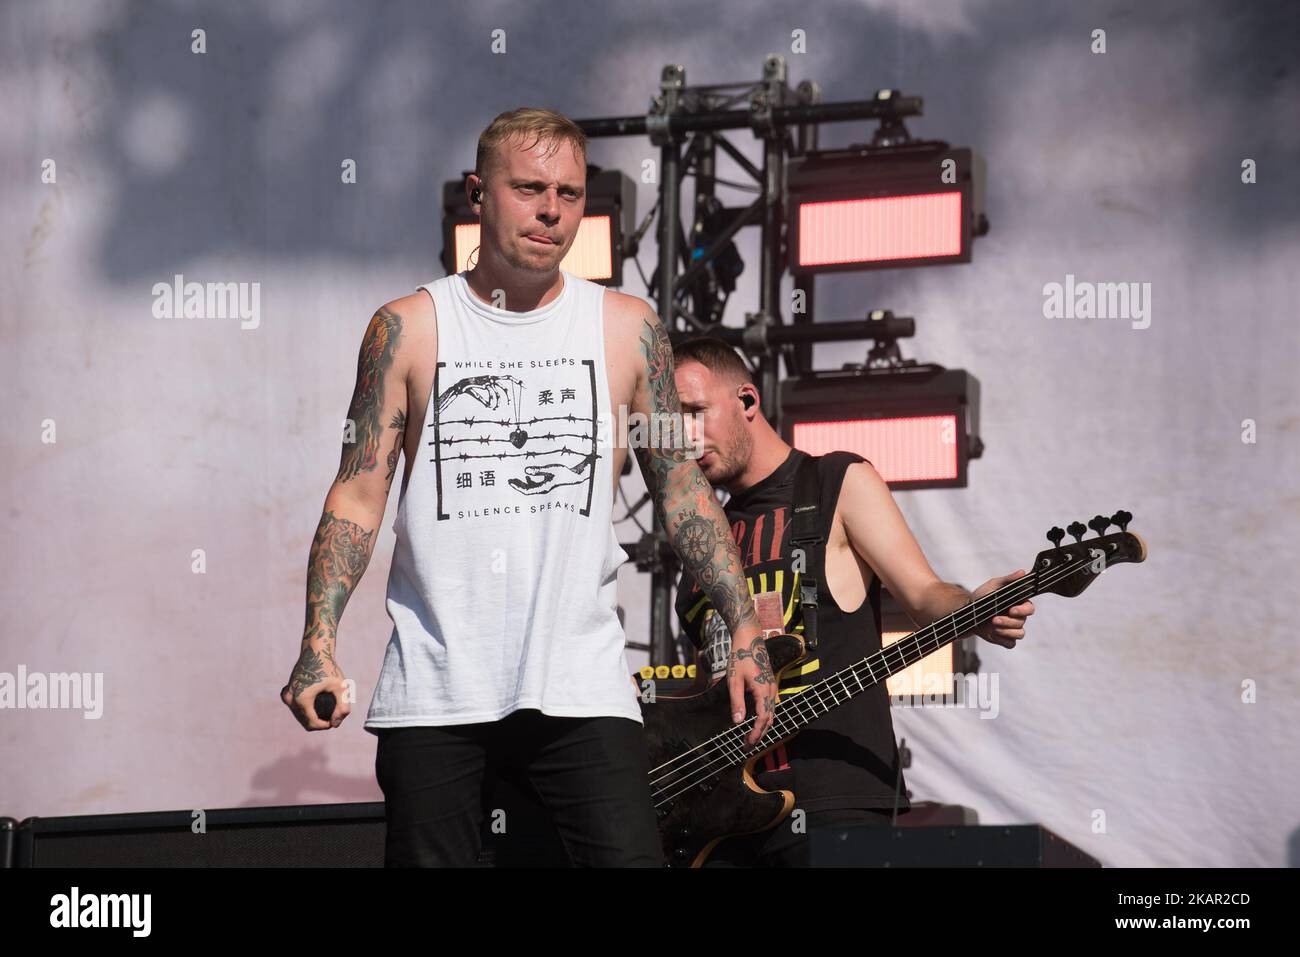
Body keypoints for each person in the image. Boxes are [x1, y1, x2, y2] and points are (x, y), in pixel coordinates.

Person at [279, 108, 776, 867]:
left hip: (582, 685)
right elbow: (357, 494)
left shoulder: (626, 328)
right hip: (437, 686)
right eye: (530, 188)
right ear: (479, 192)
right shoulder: (408, 327)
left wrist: (742, 629)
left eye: (571, 194)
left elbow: (681, 489)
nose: (551, 210)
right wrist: (319, 642)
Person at [670, 337, 1036, 867]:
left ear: (747, 401)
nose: (683, 437)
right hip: (723, 823)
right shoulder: (701, 540)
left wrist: (975, 604)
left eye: (694, 413)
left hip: (832, 805)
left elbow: (924, 595)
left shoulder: (835, 481)